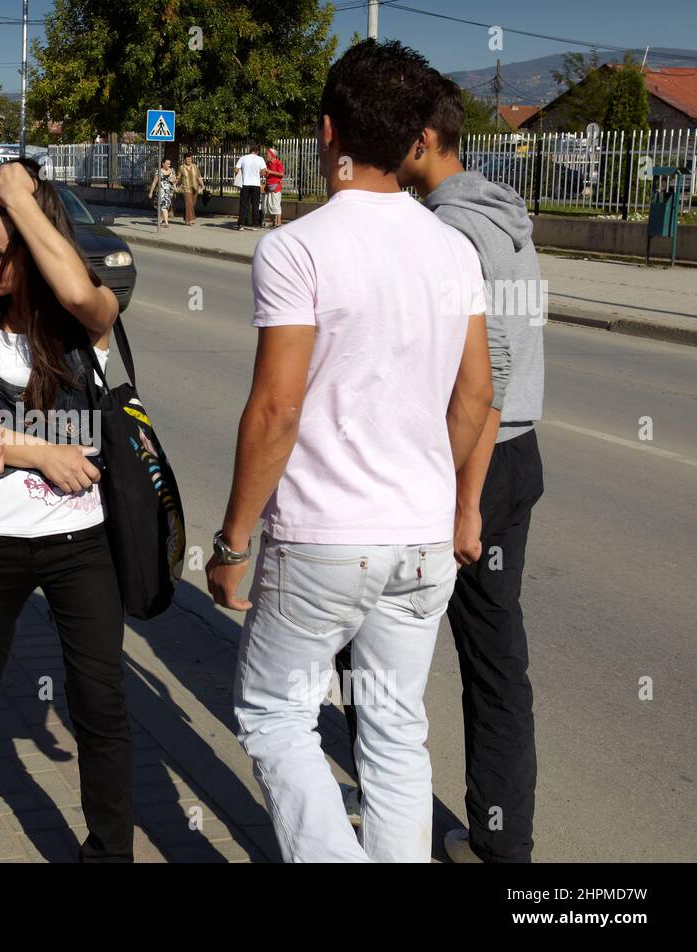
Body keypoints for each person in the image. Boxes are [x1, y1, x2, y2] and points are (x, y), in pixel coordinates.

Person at [206, 39, 495, 863]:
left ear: (327, 132)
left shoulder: (297, 247)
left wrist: (232, 542)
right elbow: (476, 394)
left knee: (276, 715)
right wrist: (422, 481)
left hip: (326, 539)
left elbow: (276, 408)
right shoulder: (452, 249)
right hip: (424, 539)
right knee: (398, 734)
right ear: (413, 140)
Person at [0, 158, 134, 863]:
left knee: (100, 700)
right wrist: (35, 452)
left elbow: (76, 285)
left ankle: (109, 849)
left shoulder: (89, 319)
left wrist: (19, 193)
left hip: (82, 539)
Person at [395, 69, 544, 864]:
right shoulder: (504, 213)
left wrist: (464, 500)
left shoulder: (452, 232)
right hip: (517, 454)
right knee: (495, 658)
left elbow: (497, 366)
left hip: (475, 464)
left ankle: (429, 828)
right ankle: (498, 838)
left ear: (422, 141)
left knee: (388, 641)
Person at [235, 145, 265, 230]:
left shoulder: (243, 158)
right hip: (256, 185)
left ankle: (241, 224)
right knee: (255, 205)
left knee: (243, 204)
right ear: (257, 151)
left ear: (250, 150)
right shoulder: (260, 159)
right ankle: (255, 225)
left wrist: (243, 171)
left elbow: (236, 170)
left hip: (245, 184)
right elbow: (263, 172)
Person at [177, 152, 205, 225]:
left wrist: (203, 185)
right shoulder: (181, 167)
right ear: (184, 159)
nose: (189, 160)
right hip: (186, 188)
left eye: (190, 159)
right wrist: (174, 183)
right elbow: (178, 177)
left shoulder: (195, 166)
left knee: (191, 204)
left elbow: (199, 177)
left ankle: (186, 218)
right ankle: (191, 220)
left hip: (195, 188)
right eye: (188, 159)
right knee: (188, 203)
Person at [148, 158, 176, 230]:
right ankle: (166, 222)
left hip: (169, 192)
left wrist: (174, 181)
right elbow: (154, 182)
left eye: (169, 164)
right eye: (167, 164)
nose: (168, 165)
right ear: (163, 164)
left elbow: (175, 180)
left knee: (163, 207)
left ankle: (160, 220)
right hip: (161, 191)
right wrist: (151, 192)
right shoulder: (159, 172)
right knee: (164, 206)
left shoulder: (172, 171)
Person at [263, 147, 285, 228]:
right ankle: (273, 222)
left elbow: (282, 174)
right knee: (269, 205)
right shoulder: (268, 163)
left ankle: (278, 222)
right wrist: (265, 173)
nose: (266, 156)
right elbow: (267, 174)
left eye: (267, 154)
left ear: (272, 155)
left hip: (276, 187)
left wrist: (270, 172)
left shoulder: (278, 163)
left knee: (276, 205)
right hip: (269, 186)